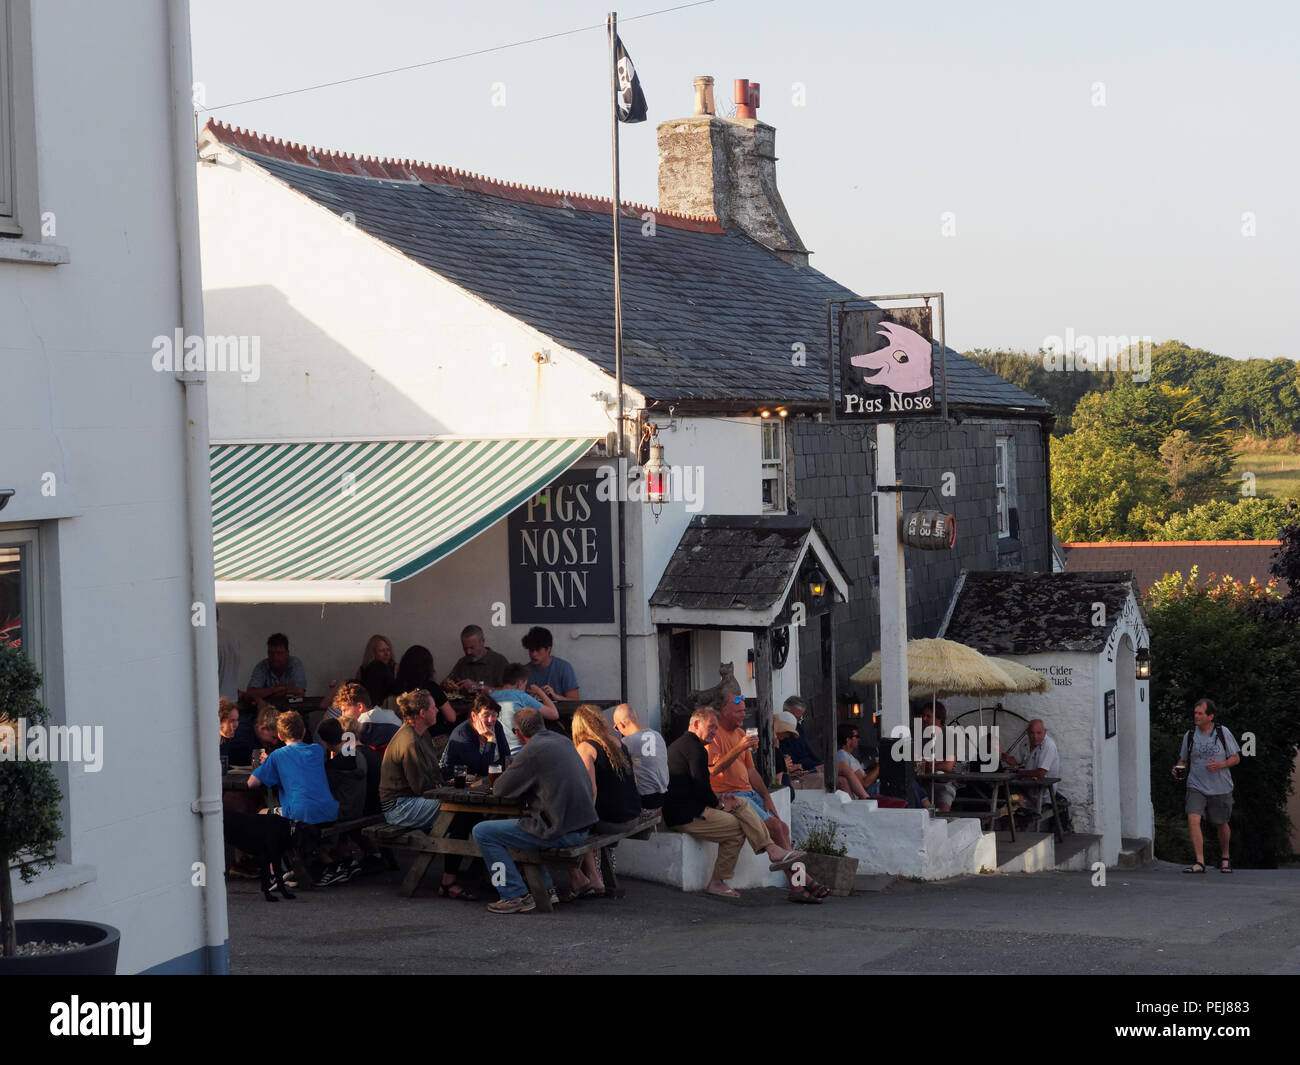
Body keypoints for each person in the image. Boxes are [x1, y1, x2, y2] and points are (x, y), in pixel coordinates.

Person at [665, 708, 817, 901]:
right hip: (685, 814)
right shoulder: (695, 748)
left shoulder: (692, 744)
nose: (714, 731)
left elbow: (697, 786)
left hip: (696, 807)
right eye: (711, 727)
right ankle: (724, 880)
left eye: (715, 728)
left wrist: (722, 799)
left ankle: (777, 856)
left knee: (747, 807)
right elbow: (701, 787)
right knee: (742, 828)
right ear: (695, 724)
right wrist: (720, 805)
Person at [472, 706, 597, 914]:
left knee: (483, 832)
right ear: (542, 723)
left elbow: (501, 789)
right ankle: (546, 890)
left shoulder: (532, 750)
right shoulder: (563, 741)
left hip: (561, 830)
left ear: (518, 733)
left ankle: (513, 894)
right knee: (526, 823)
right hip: (583, 826)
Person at [379, 689, 475, 900]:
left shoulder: (420, 735)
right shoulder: (410, 741)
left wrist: (448, 783)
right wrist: (447, 789)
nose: (437, 711)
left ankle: (464, 874)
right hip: (399, 806)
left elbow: (431, 776)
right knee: (461, 812)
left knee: (467, 815)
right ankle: (449, 882)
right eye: (433, 707)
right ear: (422, 713)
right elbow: (420, 787)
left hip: (413, 799)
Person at [706, 693, 797, 853]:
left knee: (783, 827)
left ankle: (794, 872)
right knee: (775, 827)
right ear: (725, 712)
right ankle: (798, 874)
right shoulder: (714, 735)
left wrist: (767, 797)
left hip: (750, 793)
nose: (744, 714)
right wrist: (739, 748)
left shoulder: (741, 733)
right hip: (731, 795)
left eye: (744, 710)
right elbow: (713, 770)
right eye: (738, 711)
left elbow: (751, 771)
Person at [569, 704, 642, 897]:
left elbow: (589, 792)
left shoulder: (586, 747)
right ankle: (590, 875)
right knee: (581, 821)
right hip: (632, 815)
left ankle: (590, 877)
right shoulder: (618, 742)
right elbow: (633, 780)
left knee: (573, 822)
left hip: (612, 820)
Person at [1174, 698, 1241, 874]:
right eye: (1195, 713)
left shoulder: (1222, 732)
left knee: (1221, 823)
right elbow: (1183, 760)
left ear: (1210, 716)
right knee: (1193, 819)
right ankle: (1199, 862)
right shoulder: (1189, 735)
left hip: (1220, 786)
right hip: (1196, 784)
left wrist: (1221, 765)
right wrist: (1178, 769)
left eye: (1200, 713)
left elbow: (1236, 758)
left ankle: (1225, 857)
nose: (1196, 716)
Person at [247, 711, 339, 826]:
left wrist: (266, 764)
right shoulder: (317, 750)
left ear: (280, 736)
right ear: (304, 732)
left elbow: (252, 783)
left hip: (299, 814)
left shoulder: (277, 755)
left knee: (261, 813)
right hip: (329, 812)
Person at [314, 717, 368, 884]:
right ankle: (346, 861)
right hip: (357, 808)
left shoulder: (335, 764)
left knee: (303, 823)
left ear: (324, 741)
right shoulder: (356, 755)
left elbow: (323, 791)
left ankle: (330, 864)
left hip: (342, 811)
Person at [1000, 718, 1060, 825]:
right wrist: (1007, 758)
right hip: (1027, 787)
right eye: (1032, 733)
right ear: (1027, 733)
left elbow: (1041, 773)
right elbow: (1016, 761)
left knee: (1008, 790)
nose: (1035, 737)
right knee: (1003, 788)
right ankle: (1017, 813)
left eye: (1039, 733)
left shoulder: (1048, 745)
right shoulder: (1026, 743)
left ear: (1045, 732)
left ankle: (1024, 813)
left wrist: (1020, 773)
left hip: (1043, 791)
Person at [490, 663, 558, 755]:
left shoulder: (491, 696)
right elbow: (554, 714)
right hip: (519, 752)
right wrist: (539, 691)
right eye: (525, 686)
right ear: (519, 684)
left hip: (495, 752)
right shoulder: (520, 695)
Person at [440, 691, 512, 777]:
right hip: (457, 782)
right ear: (474, 716)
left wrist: (495, 766)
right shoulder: (463, 734)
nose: (490, 720)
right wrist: (490, 739)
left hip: (481, 779)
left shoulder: (496, 726)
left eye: (494, 715)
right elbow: (483, 770)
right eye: (486, 715)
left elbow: (506, 758)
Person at [612, 703, 668, 809]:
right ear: (636, 717)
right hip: (662, 797)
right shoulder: (657, 735)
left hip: (644, 800)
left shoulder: (626, 742)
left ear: (622, 725)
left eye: (616, 727)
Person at [394, 645, 456, 734]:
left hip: (407, 734)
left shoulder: (398, 687)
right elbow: (452, 717)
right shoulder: (432, 688)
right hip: (433, 738)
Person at [443, 624, 510, 695]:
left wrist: (478, 687)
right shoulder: (462, 662)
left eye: (472, 648)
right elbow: (447, 684)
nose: (468, 652)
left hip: (489, 705)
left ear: (482, 642)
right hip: (463, 705)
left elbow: (509, 693)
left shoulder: (499, 661)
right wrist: (446, 684)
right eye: (465, 648)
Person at [521, 626, 579, 700]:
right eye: (531, 650)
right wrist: (529, 697)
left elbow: (575, 700)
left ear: (548, 649)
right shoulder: (523, 672)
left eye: (538, 649)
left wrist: (556, 696)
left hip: (560, 711)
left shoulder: (563, 668)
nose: (533, 654)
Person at [245, 633, 307, 700]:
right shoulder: (262, 666)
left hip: (292, 709)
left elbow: (299, 692)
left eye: (279, 653)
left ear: (287, 653)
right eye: (271, 653)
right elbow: (250, 693)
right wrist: (281, 688)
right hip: (268, 709)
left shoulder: (295, 663)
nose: (275, 657)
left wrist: (264, 694)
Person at [779, 696, 823, 773]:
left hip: (809, 764)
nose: (798, 721)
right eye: (796, 717)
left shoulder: (798, 727)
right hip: (802, 768)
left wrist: (820, 763)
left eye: (800, 718)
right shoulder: (781, 732)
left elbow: (808, 749)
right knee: (841, 768)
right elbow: (791, 760)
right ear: (786, 712)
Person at [355, 634, 399, 708]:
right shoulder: (362, 669)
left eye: (388, 650)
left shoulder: (395, 668)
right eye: (381, 650)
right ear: (373, 653)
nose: (386, 654)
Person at [835, 723, 879, 799]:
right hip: (862, 796)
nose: (859, 739)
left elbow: (866, 779)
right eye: (856, 737)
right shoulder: (842, 755)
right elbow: (864, 783)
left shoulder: (849, 756)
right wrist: (879, 767)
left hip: (867, 790)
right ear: (848, 740)